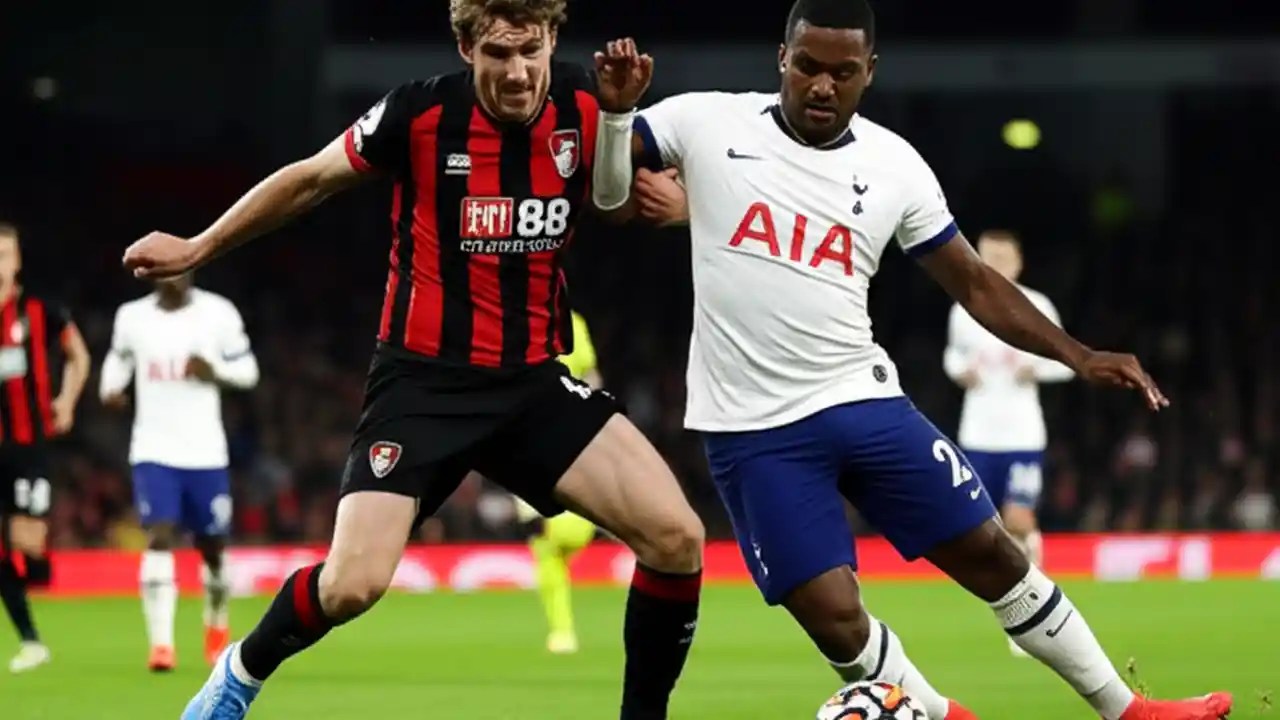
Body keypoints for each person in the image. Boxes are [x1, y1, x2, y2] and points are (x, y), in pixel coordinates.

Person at [591, 1, 1231, 719]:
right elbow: (613, 202)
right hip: (753, 428)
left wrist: (1078, 355)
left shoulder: (894, 164)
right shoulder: (707, 121)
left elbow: (976, 283)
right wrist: (617, 119)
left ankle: (1127, 709)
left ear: (870, 72)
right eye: (807, 66)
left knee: (994, 554)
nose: (822, 86)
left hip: (861, 401)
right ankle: (941, 713)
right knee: (833, 614)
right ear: (782, 58)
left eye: (842, 72)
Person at [124, 2, 703, 718]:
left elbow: (626, 197)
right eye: (497, 53)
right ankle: (239, 672)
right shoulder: (419, 115)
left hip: (530, 382)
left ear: (553, 38)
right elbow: (309, 179)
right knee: (351, 586)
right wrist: (199, 246)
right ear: (465, 46)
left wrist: (689, 202)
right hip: (423, 385)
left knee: (677, 538)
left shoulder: (590, 101)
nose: (518, 73)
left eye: (530, 50)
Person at [100, 274, 260, 672]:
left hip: (205, 452)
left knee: (213, 549)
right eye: (165, 269)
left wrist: (215, 371)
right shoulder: (132, 317)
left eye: (181, 266)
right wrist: (110, 390)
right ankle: (161, 645)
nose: (175, 276)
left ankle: (216, 624)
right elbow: (117, 361)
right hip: (154, 448)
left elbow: (249, 371)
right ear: (154, 275)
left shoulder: (218, 312)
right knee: (159, 535)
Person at [943, 229, 1072, 657]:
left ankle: (1039, 613)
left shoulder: (1038, 305)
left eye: (1001, 256)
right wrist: (960, 371)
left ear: (1017, 262)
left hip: (1021, 434)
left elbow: (1068, 362)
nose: (992, 262)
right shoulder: (964, 309)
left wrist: (1037, 371)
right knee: (986, 530)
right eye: (985, 255)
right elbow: (953, 356)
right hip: (977, 433)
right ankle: (1014, 610)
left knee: (1019, 521)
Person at [0, 223, 91, 673]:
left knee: (26, 543)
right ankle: (32, 641)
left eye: (5, 255)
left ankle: (41, 568)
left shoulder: (40, 311)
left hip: (28, 445)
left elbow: (79, 355)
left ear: (17, 262)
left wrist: (67, 400)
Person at [518, 310, 601, 655]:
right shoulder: (573, 321)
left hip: (553, 441)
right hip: (552, 442)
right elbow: (593, 375)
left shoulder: (524, 319)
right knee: (547, 552)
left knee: (551, 548)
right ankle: (562, 630)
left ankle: (562, 631)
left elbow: (592, 376)